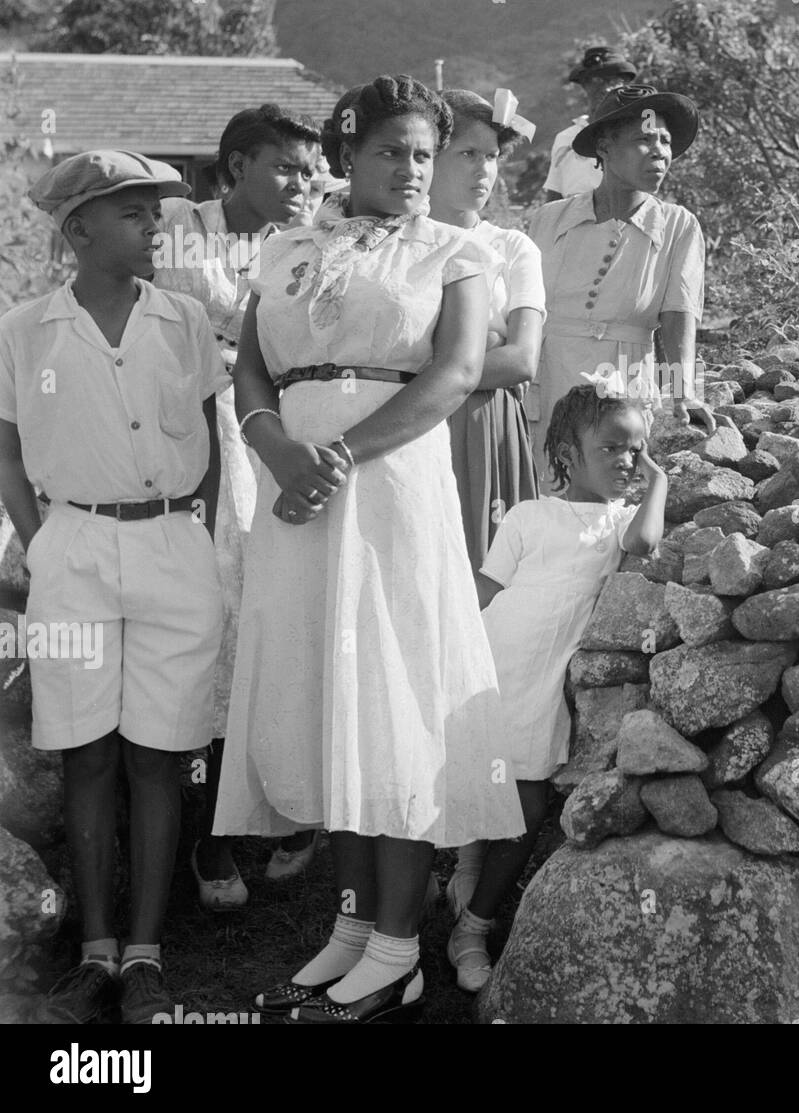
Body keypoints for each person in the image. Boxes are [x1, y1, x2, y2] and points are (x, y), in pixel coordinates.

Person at [213, 75, 524, 1024]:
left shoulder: (457, 251)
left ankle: (398, 952)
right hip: (295, 492)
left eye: (425, 153)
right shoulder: (287, 247)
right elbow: (254, 367)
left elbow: (460, 370)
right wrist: (272, 447)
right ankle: (349, 929)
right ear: (346, 156)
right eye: (392, 150)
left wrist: (342, 453)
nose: (413, 169)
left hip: (388, 488)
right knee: (328, 705)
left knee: (391, 701)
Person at [0, 150, 226, 1024]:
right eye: (134, 213)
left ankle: (145, 957)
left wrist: (190, 532)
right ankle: (93, 954)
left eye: (154, 211)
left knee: (158, 755)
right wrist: (44, 537)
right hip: (75, 549)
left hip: (171, 543)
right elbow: (10, 456)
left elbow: (208, 442)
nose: (155, 225)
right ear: (80, 229)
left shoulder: (186, 320)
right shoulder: (24, 330)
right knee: (85, 752)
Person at [153, 103, 324, 908]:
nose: (305, 182)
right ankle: (204, 837)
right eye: (286, 166)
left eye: (311, 168)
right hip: (181, 438)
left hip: (272, 436)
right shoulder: (179, 223)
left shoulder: (309, 245)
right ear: (236, 169)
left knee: (278, 616)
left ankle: (291, 803)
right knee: (205, 629)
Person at [445, 375, 666, 992]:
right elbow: (484, 595)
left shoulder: (621, 522)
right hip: (495, 662)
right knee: (479, 777)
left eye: (637, 448)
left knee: (528, 803)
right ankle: (464, 868)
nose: (628, 461)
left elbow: (646, 543)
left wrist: (661, 482)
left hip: (546, 682)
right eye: (613, 448)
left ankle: (474, 925)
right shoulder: (527, 515)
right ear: (567, 456)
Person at [528, 82, 716, 488]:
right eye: (643, 140)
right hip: (547, 379)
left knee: (610, 506)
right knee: (540, 498)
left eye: (665, 141)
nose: (660, 152)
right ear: (605, 147)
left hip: (624, 383)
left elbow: (678, 313)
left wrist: (684, 392)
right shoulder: (549, 219)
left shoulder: (678, 225)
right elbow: (520, 306)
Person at [430, 89, 545, 571]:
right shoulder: (396, 242)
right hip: (408, 421)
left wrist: (433, 368)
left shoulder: (513, 248)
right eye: (468, 154)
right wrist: (479, 349)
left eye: (493, 157)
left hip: (483, 424)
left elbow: (521, 359)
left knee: (484, 566)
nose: (484, 170)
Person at [540, 46, 638, 202]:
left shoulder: (635, 136)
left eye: (614, 81)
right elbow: (554, 196)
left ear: (625, 84)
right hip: (572, 221)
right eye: (596, 80)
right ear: (584, 84)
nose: (605, 88)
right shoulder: (565, 139)